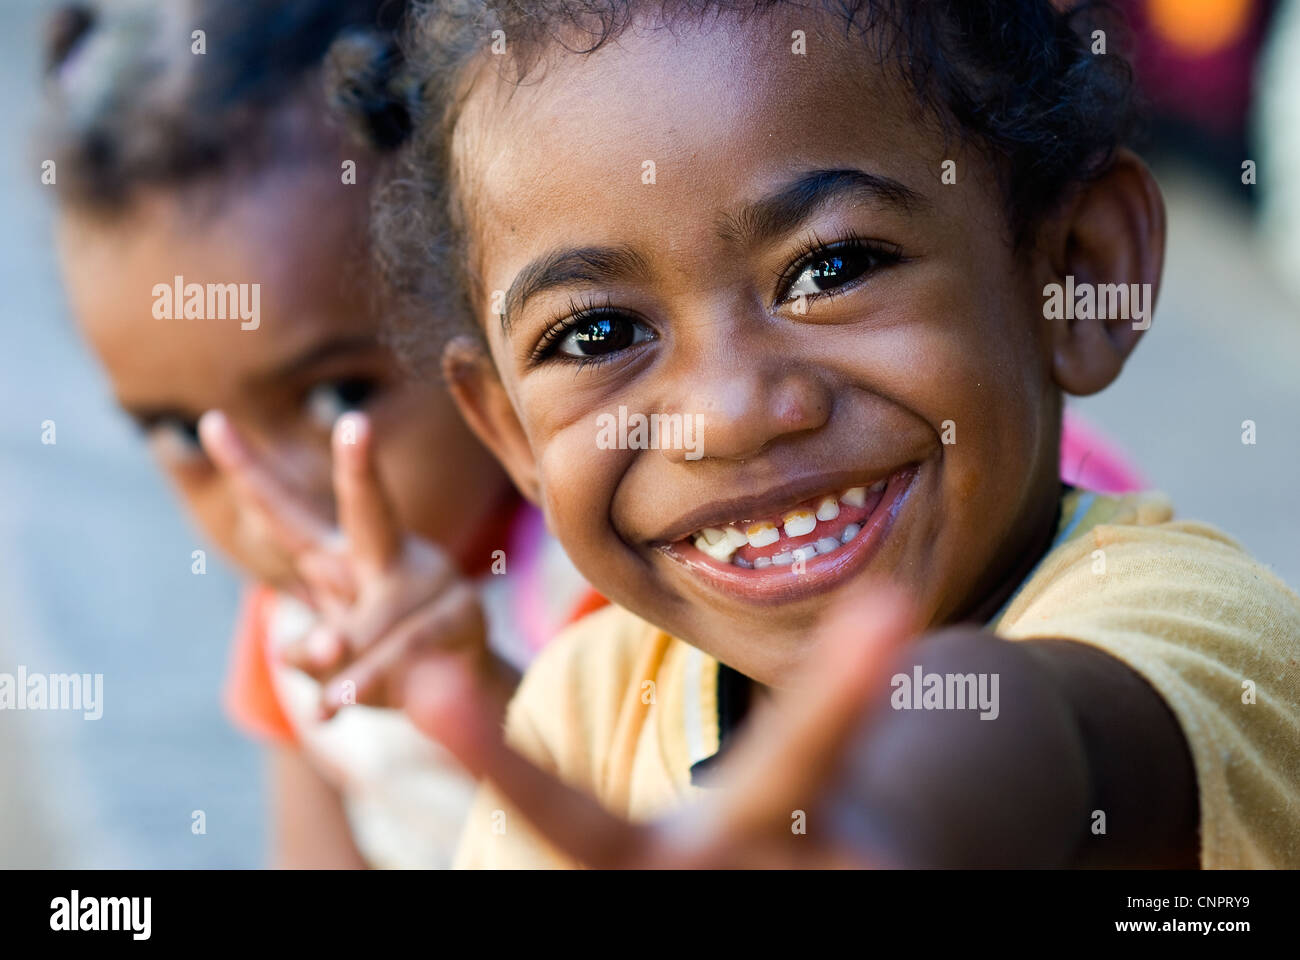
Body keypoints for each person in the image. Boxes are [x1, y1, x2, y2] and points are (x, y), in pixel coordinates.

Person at [363, 0, 1299, 868]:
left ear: (1079, 274)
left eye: (832, 268)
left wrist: (873, 824)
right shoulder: (582, 716)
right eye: (597, 334)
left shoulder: (1199, 632)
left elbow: (1029, 728)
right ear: (511, 433)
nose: (725, 417)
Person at [43, 0, 589, 868]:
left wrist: (480, 700)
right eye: (185, 434)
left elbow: (676, 824)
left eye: (338, 397)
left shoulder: (607, 570)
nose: (271, 505)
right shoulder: (297, 631)